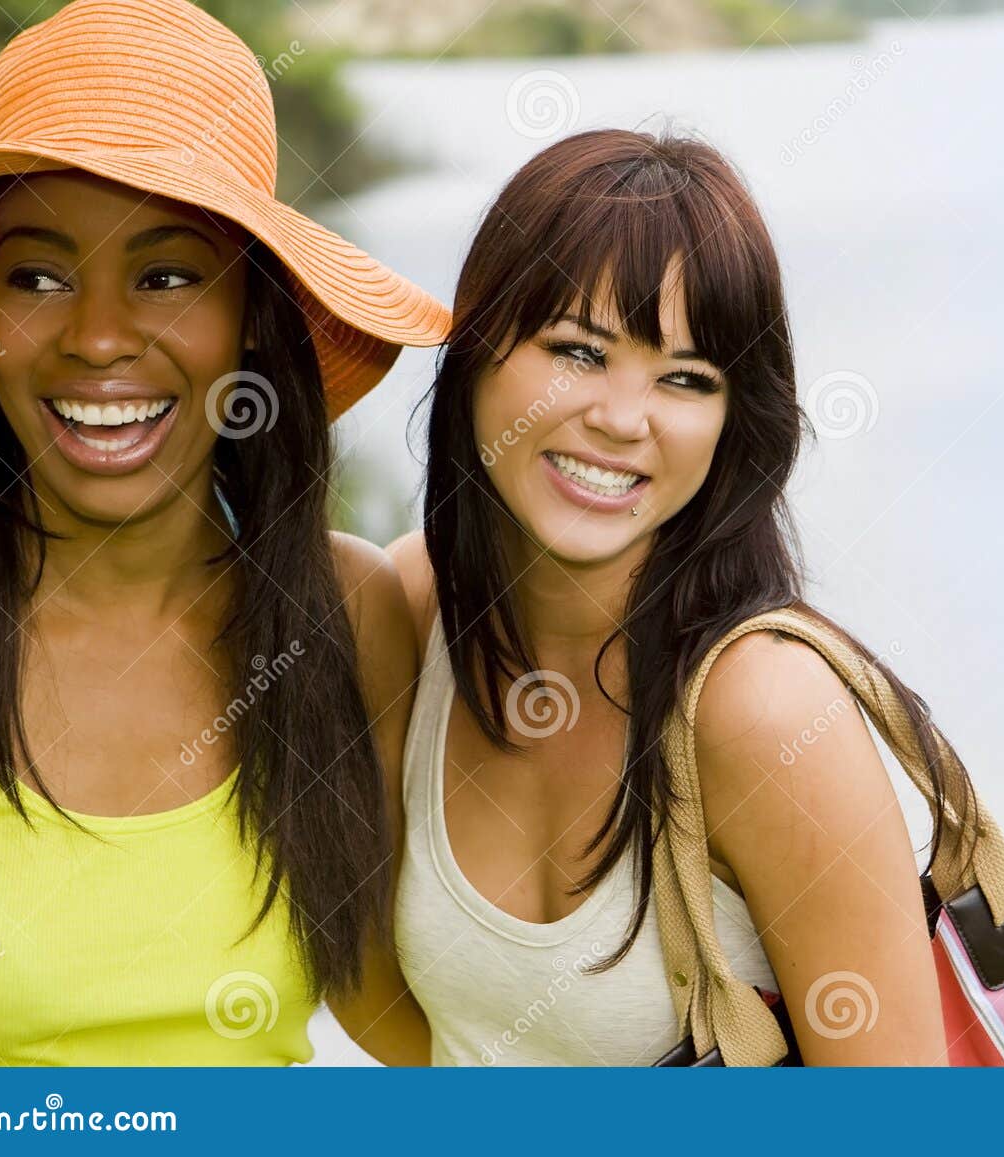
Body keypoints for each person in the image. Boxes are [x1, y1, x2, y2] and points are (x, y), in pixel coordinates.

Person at [0, 0, 444, 1064]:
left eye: (166, 274)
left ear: (253, 314)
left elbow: (404, 1020)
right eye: (36, 276)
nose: (97, 336)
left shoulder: (351, 613)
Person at [381, 129, 970, 1065]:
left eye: (686, 378)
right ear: (476, 348)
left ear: (736, 421)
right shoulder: (413, 605)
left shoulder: (764, 711)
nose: (622, 418)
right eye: (577, 351)